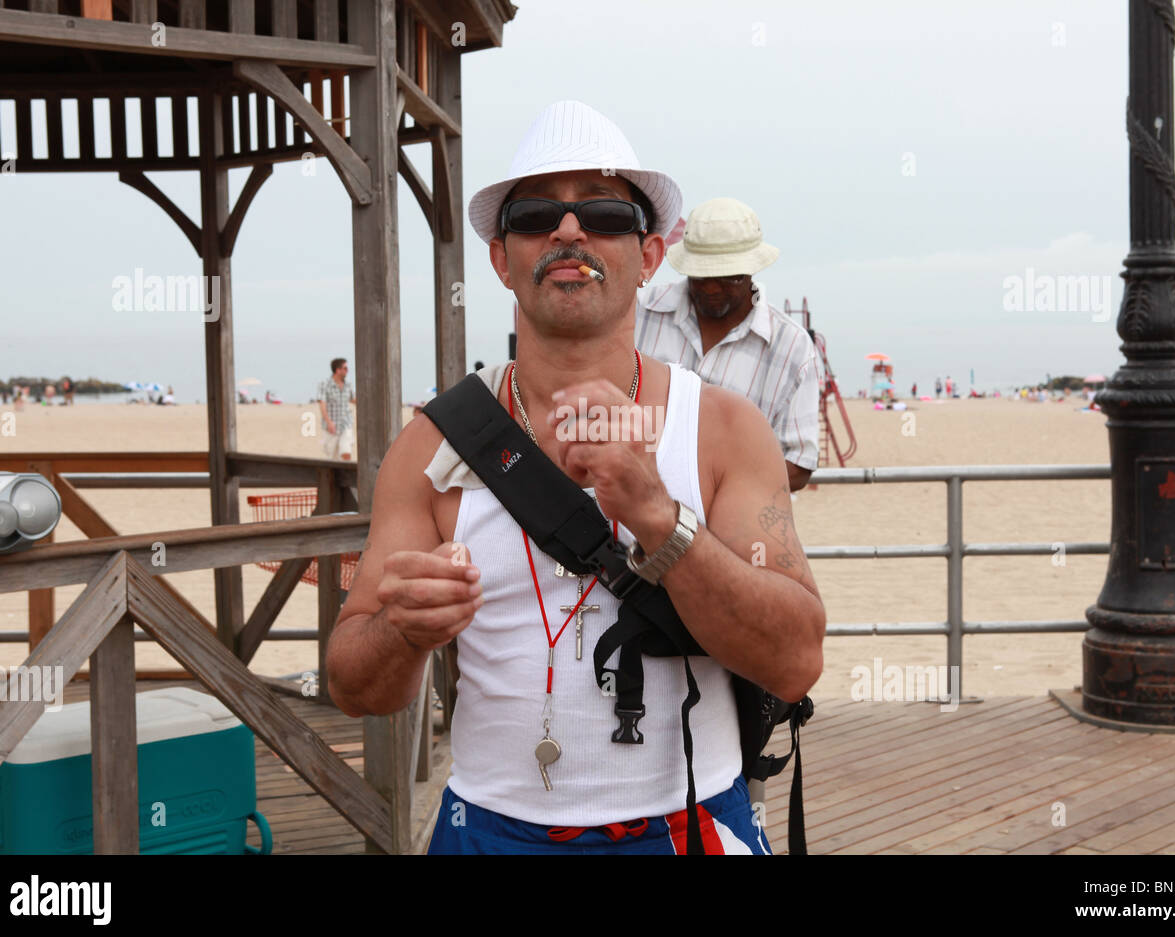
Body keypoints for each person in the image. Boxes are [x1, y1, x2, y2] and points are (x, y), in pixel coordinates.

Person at [325, 100, 824, 855]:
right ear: (501, 259)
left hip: (685, 819)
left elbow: (796, 659)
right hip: (488, 825)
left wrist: (661, 517)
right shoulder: (430, 444)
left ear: (650, 256)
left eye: (603, 214)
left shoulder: (721, 429)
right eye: (534, 216)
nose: (568, 232)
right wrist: (403, 630)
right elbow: (355, 688)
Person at [635, 198, 819, 492]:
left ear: (751, 272)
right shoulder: (638, 314)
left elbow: (798, 464)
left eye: (727, 278)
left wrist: (713, 485)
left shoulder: (792, 348)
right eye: (701, 276)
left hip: (734, 528)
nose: (711, 287)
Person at [318, 358, 356, 461]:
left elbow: (353, 399)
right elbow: (322, 405)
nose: (347, 370)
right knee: (333, 457)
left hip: (346, 423)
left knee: (346, 452)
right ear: (337, 370)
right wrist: (329, 422)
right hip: (331, 426)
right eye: (345, 368)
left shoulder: (348, 385)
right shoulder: (324, 385)